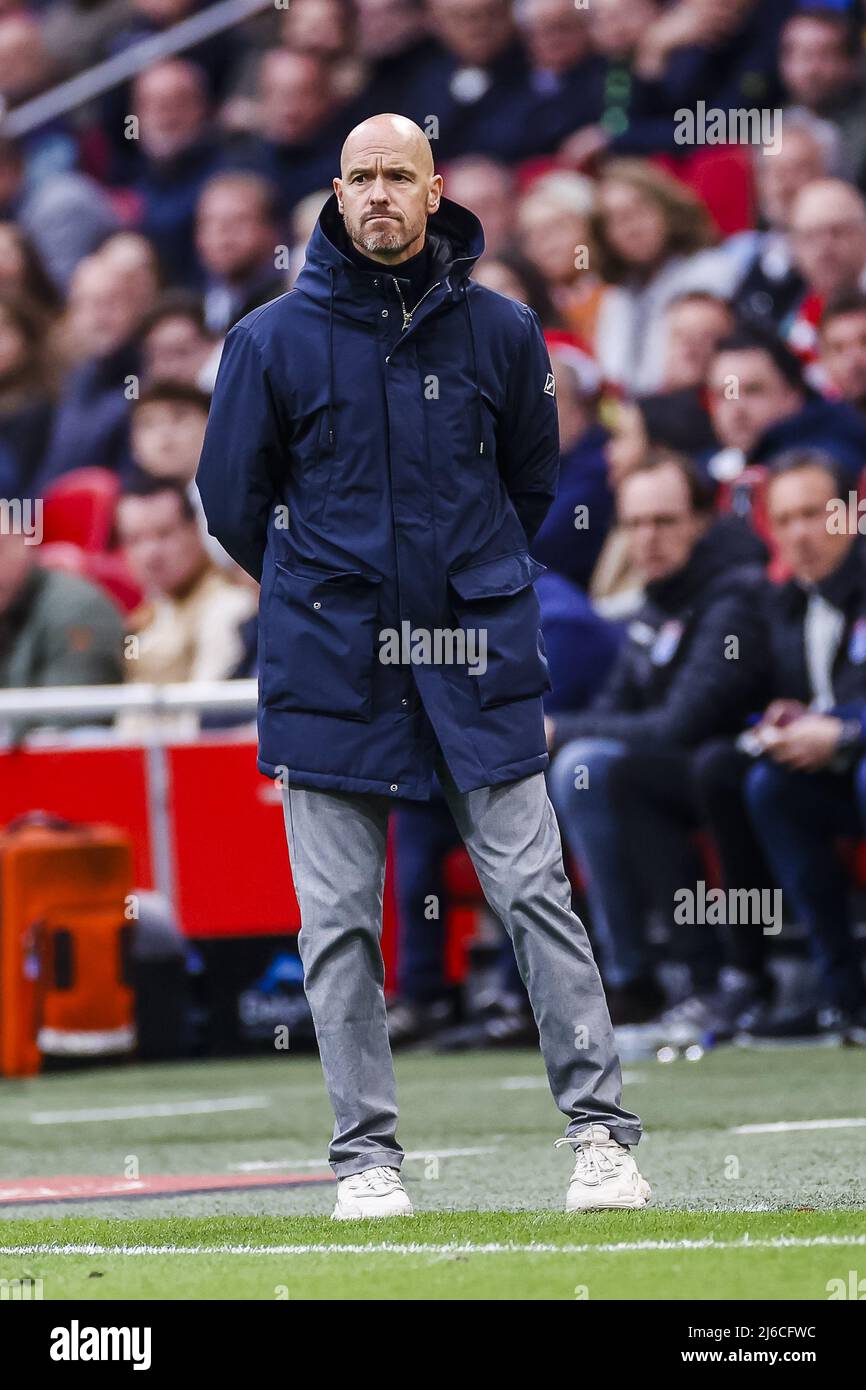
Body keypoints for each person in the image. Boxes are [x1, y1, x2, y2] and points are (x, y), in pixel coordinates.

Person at [197, 112, 649, 1218]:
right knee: (338, 922)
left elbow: (529, 488)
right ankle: (365, 1161)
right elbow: (230, 504)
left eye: (400, 174)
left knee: (535, 893)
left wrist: (463, 579)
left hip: (475, 651)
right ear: (337, 192)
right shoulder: (268, 341)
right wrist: (321, 590)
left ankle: (601, 1138)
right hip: (330, 658)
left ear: (435, 188)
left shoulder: (502, 333)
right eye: (362, 177)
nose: (380, 194)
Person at [547, 454, 767, 1022]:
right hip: (685, 771)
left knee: (597, 767)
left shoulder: (732, 597)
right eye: (635, 524)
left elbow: (680, 725)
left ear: (701, 521)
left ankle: (673, 976)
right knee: (582, 766)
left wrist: (558, 729)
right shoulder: (659, 600)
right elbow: (613, 708)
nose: (648, 539)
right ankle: (620, 978)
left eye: (664, 522)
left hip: (737, 766)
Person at [695, 450, 866, 1044]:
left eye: (815, 514)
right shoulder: (785, 603)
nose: (800, 533)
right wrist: (793, 720)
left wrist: (846, 731)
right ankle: (839, 995)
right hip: (838, 770)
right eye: (785, 518)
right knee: (763, 784)